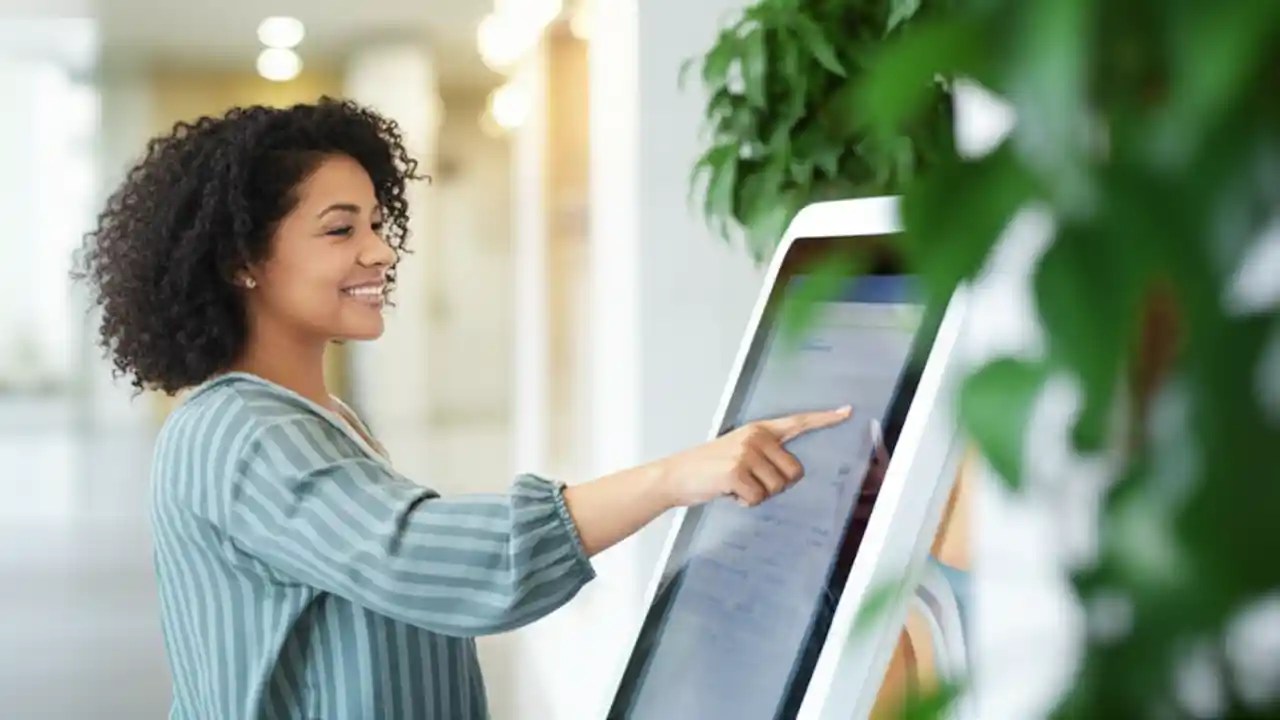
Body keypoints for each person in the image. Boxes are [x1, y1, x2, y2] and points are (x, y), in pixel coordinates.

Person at [73, 97, 851, 720]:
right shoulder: (240, 433)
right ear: (242, 260)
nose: (379, 251)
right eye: (341, 229)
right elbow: (420, 557)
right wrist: (676, 478)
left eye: (378, 224)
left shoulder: (316, 416)